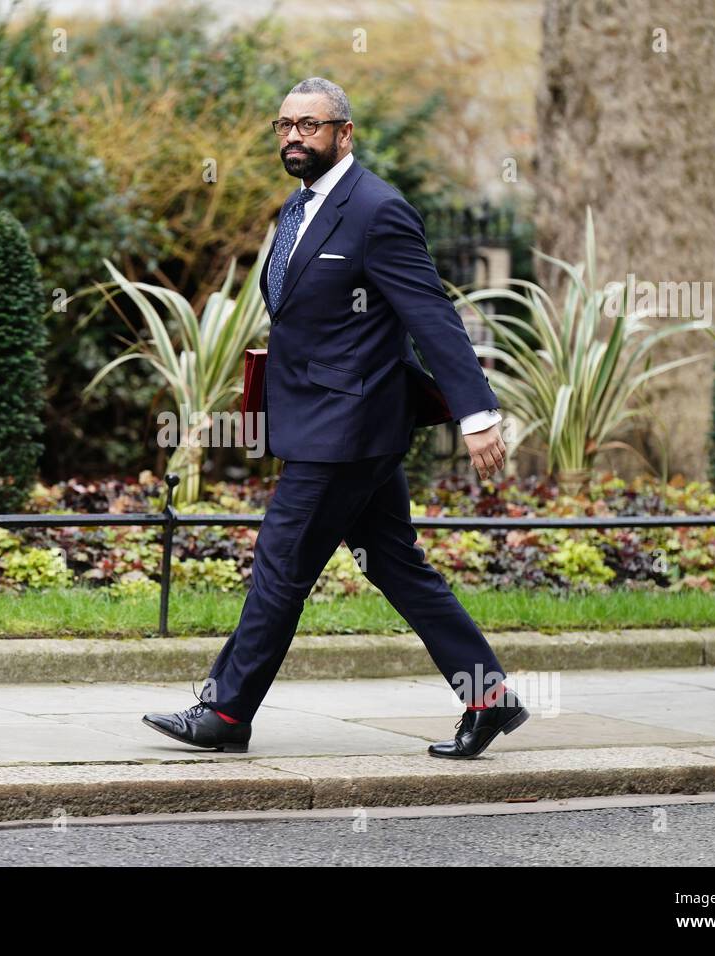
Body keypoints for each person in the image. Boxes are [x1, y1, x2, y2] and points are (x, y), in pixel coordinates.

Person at [142, 77, 527, 759]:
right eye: (285, 125)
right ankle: (488, 696)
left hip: (347, 430)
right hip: (334, 423)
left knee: (280, 565)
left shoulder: (377, 209)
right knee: (397, 567)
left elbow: (431, 315)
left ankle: (227, 715)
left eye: (310, 126)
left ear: (343, 134)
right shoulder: (299, 209)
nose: (294, 136)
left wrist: (476, 413)